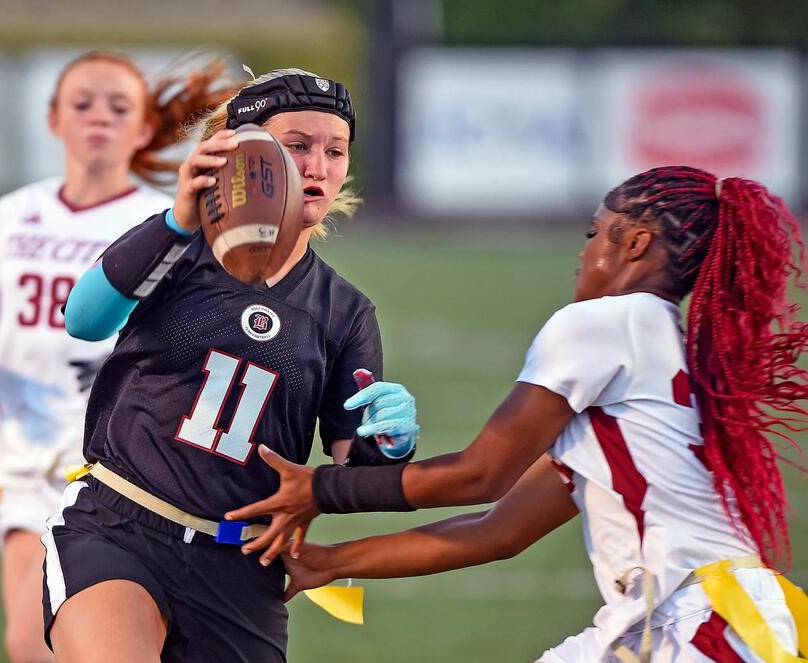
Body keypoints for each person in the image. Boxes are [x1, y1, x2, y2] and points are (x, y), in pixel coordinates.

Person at [229, 166, 808, 661]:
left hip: (693, 626)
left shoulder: (606, 322)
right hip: (704, 619)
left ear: (633, 243)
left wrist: (321, 489)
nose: (582, 251)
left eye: (596, 232)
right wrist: (330, 562)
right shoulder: (660, 355)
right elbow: (498, 531)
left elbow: (482, 475)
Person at [42, 69, 417, 663]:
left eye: (335, 150)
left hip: (241, 567)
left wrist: (387, 446)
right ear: (244, 155)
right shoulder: (178, 248)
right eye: (296, 147)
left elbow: (351, 471)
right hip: (119, 529)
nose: (318, 166)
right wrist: (176, 220)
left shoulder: (344, 313)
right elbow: (85, 319)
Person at [0, 51, 234, 663]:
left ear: (141, 129)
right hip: (28, 466)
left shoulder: (158, 220)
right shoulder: (14, 214)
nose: (99, 118)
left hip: (121, 468)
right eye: (82, 104)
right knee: (28, 645)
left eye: (119, 108)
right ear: (53, 119)